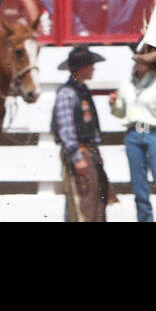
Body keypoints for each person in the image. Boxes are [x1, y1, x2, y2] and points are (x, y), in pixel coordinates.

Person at [109, 52, 156, 222]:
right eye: (137, 61)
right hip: (133, 134)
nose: (138, 64)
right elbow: (121, 112)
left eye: (143, 62)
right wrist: (114, 105)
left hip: (155, 133)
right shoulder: (126, 82)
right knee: (140, 189)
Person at [52, 45, 110, 222]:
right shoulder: (68, 93)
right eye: (91, 65)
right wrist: (77, 158)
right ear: (82, 68)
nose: (93, 68)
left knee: (93, 203)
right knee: (80, 203)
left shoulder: (81, 90)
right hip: (80, 153)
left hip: (88, 152)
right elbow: (66, 129)